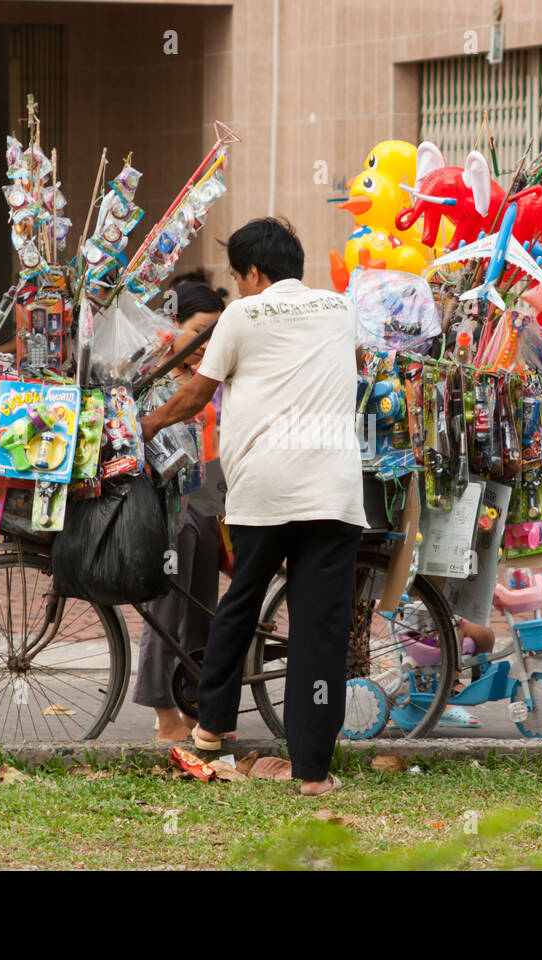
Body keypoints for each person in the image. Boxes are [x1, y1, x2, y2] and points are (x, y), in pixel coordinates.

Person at [140, 218, 366, 797]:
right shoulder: (341, 309)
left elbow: (195, 394)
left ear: (256, 273)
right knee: (320, 631)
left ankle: (212, 728)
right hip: (332, 494)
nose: (239, 288)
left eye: (239, 276)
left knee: (239, 604)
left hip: (262, 490)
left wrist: (145, 424)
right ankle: (313, 774)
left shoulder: (243, 314)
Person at [133, 282, 225, 742]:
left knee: (203, 607)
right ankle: (162, 706)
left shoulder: (206, 377)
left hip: (206, 495)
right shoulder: (152, 376)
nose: (206, 344)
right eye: (199, 332)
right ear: (171, 328)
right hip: (169, 500)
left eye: (214, 334)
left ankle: (192, 698)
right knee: (168, 605)